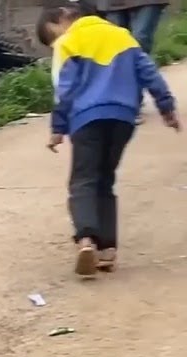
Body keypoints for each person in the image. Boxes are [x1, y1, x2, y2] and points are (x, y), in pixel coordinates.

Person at [38, 5, 179, 277]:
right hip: (123, 118)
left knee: (83, 180)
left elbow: (64, 90)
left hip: (86, 119)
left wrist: (58, 127)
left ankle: (86, 240)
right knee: (105, 180)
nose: (55, 42)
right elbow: (150, 73)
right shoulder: (123, 36)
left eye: (52, 35)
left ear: (63, 16)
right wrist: (167, 108)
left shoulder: (70, 42)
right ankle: (108, 250)